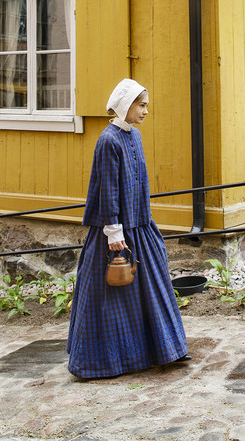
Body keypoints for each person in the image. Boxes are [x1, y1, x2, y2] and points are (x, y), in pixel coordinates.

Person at [67, 78, 188, 379]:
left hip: (140, 226)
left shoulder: (133, 137)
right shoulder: (108, 141)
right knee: (107, 298)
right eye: (142, 106)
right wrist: (114, 231)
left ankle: (162, 350)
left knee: (153, 289)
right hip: (117, 231)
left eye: (146, 105)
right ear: (127, 106)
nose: (146, 111)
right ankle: (102, 361)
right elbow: (107, 188)